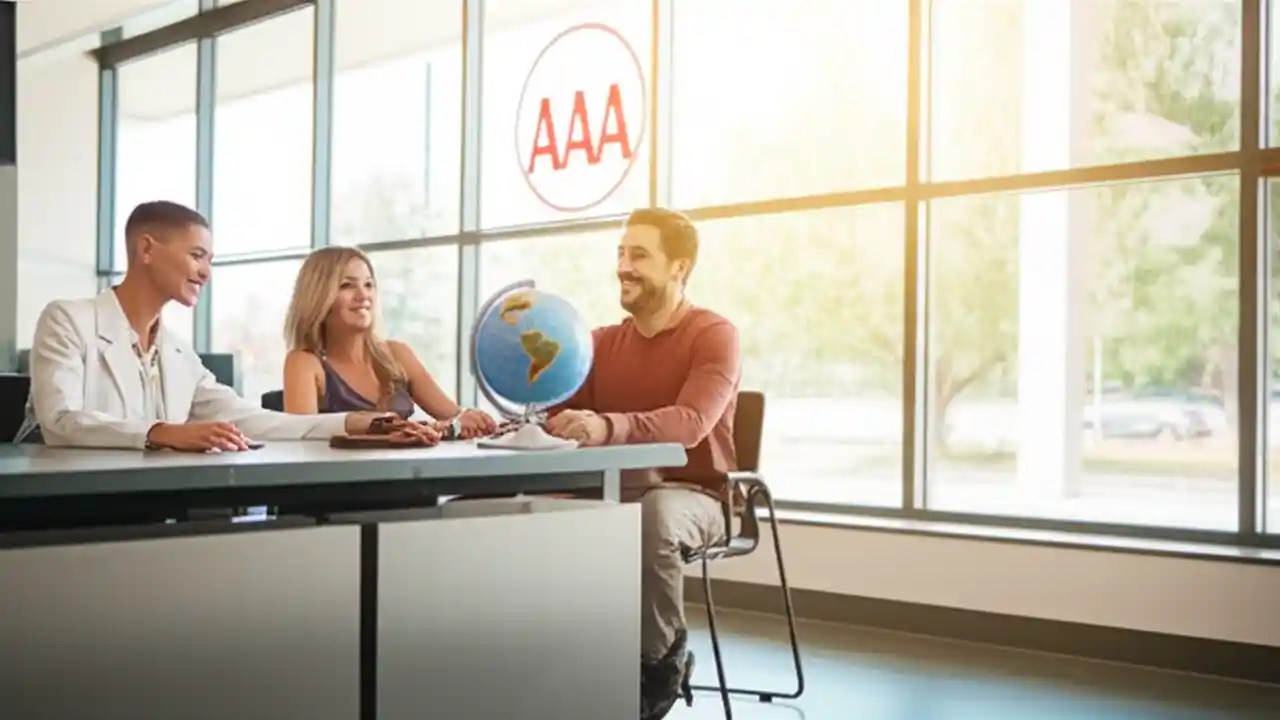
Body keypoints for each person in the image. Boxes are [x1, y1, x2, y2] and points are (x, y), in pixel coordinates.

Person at [26, 200, 434, 451]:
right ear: (146, 249)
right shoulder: (67, 320)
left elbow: (251, 420)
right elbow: (61, 421)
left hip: (143, 506)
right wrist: (163, 432)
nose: (205, 272)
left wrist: (352, 422)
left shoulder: (178, 354)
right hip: (63, 513)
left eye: (209, 261)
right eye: (197, 256)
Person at [545, 207, 739, 720]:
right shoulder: (602, 342)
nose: (624, 267)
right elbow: (558, 412)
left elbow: (692, 421)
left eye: (639, 256)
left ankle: (658, 664)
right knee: (529, 510)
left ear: (679, 267)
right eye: (621, 254)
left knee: (655, 513)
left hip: (696, 496)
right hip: (610, 488)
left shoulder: (714, 334)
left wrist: (608, 426)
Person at [281, 246, 495, 439]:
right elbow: (302, 436)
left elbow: (454, 415)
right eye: (347, 285)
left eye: (369, 285)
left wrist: (473, 419)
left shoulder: (397, 353)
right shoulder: (303, 362)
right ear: (318, 296)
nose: (363, 295)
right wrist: (436, 427)